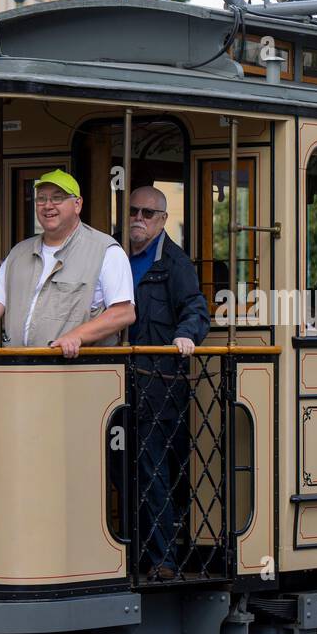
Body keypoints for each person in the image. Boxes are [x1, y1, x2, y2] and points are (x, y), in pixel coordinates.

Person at [0, 169, 133, 358]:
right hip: (20, 369)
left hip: (77, 373)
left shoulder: (106, 251)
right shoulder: (19, 252)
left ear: (77, 205)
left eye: (58, 198)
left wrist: (76, 336)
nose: (48, 205)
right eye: (41, 198)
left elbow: (123, 313)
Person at [126, 186, 211, 579]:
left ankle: (163, 560)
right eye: (133, 211)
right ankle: (131, 550)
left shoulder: (175, 263)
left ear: (162, 220)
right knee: (123, 469)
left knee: (155, 470)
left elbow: (196, 309)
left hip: (159, 384)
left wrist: (186, 336)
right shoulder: (115, 258)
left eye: (147, 213)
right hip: (120, 381)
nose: (138, 219)